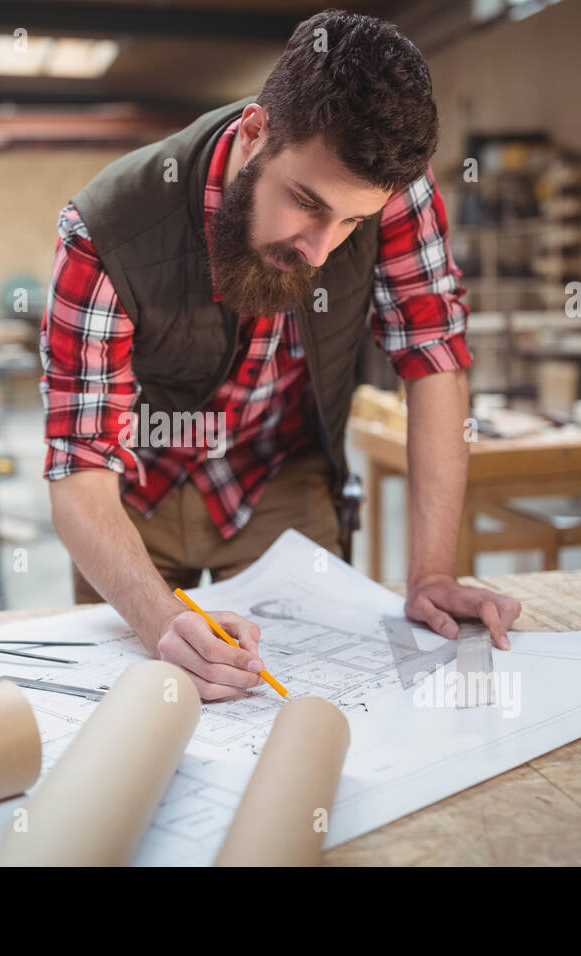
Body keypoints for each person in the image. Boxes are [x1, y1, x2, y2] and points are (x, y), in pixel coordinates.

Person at [40, 10, 521, 701]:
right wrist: (161, 619)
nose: (320, 251)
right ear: (254, 134)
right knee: (143, 705)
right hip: (132, 496)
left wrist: (432, 575)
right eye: (305, 203)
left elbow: (433, 355)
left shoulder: (393, 191)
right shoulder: (106, 230)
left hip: (283, 480)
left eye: (351, 223)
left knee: (314, 705)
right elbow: (79, 469)